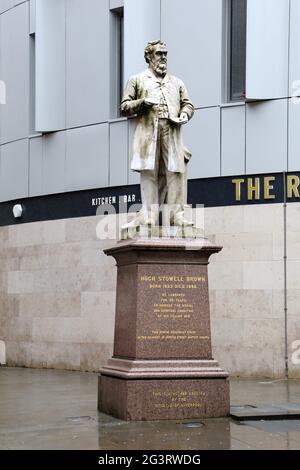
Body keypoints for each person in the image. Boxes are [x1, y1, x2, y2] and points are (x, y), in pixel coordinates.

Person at [120, 40, 194, 227]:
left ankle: (177, 215)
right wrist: (142, 102)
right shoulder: (137, 79)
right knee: (149, 172)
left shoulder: (176, 82)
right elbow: (124, 106)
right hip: (148, 132)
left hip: (172, 129)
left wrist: (185, 113)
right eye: (159, 53)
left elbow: (188, 104)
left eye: (165, 54)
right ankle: (149, 216)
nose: (163, 57)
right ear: (149, 57)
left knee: (175, 172)